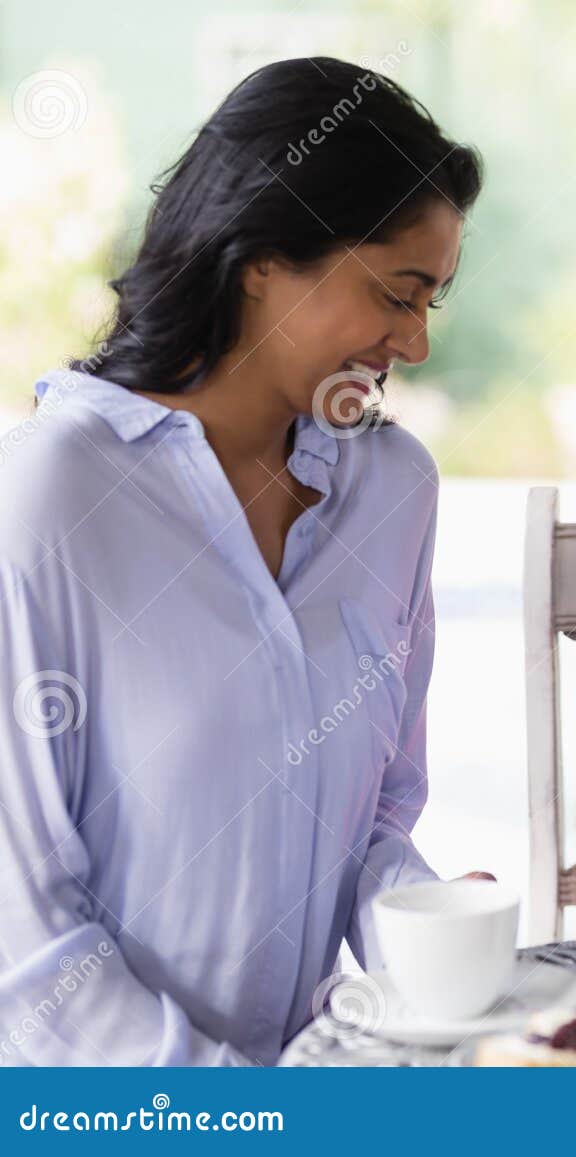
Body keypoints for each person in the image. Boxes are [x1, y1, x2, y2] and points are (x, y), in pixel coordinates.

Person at [0, 58, 483, 1065]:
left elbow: (376, 821)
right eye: (397, 294)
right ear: (263, 258)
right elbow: (22, 931)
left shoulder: (395, 490)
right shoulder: (54, 491)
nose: (416, 342)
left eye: (432, 302)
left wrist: (434, 929)